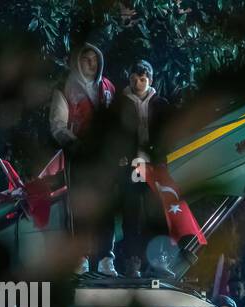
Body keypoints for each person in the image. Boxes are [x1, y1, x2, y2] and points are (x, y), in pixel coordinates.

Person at [50, 41, 118, 276]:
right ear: (78, 61)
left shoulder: (108, 87)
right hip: (79, 157)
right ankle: (80, 258)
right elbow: (58, 125)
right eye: (86, 59)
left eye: (94, 59)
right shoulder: (65, 87)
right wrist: (77, 145)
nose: (91, 63)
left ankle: (106, 259)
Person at [117, 60, 172, 277]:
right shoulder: (121, 104)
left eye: (142, 79)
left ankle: (159, 260)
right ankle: (133, 262)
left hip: (154, 166)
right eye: (134, 79)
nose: (138, 83)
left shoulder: (161, 104)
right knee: (131, 216)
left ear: (150, 80)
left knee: (157, 215)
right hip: (130, 166)